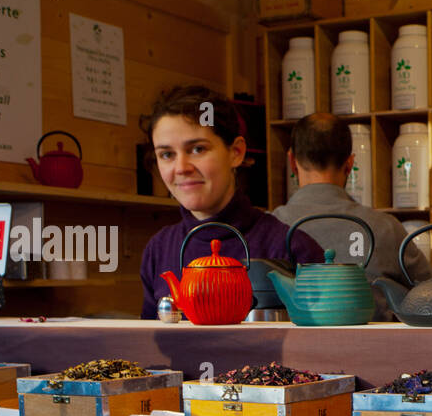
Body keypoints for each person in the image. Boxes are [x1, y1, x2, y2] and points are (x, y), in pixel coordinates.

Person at [138, 85, 322, 320]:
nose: (181, 167)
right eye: (166, 154)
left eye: (197, 149)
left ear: (236, 152)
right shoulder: (159, 249)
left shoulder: (293, 247)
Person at [273, 113, 432, 320]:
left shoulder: (270, 228)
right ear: (350, 164)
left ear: (292, 161)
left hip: (289, 351)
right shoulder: (385, 227)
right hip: (376, 351)